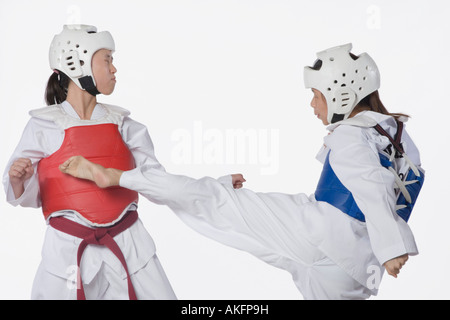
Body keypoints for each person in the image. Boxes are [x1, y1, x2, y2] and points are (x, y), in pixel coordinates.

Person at [58, 43, 425, 300]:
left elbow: (371, 186)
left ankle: (115, 176)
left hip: (320, 237)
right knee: (220, 202)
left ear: (341, 91)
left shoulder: (349, 136)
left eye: (317, 94)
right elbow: (401, 190)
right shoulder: (399, 137)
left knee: (214, 200)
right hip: (353, 273)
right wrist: (381, 249)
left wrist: (391, 247)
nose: (313, 104)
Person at [3, 24, 232, 300]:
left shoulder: (126, 126)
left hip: (130, 246)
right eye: (107, 60)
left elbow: (159, 183)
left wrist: (215, 188)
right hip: (65, 252)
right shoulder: (43, 126)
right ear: (79, 64)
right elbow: (21, 192)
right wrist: (18, 179)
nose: (114, 69)